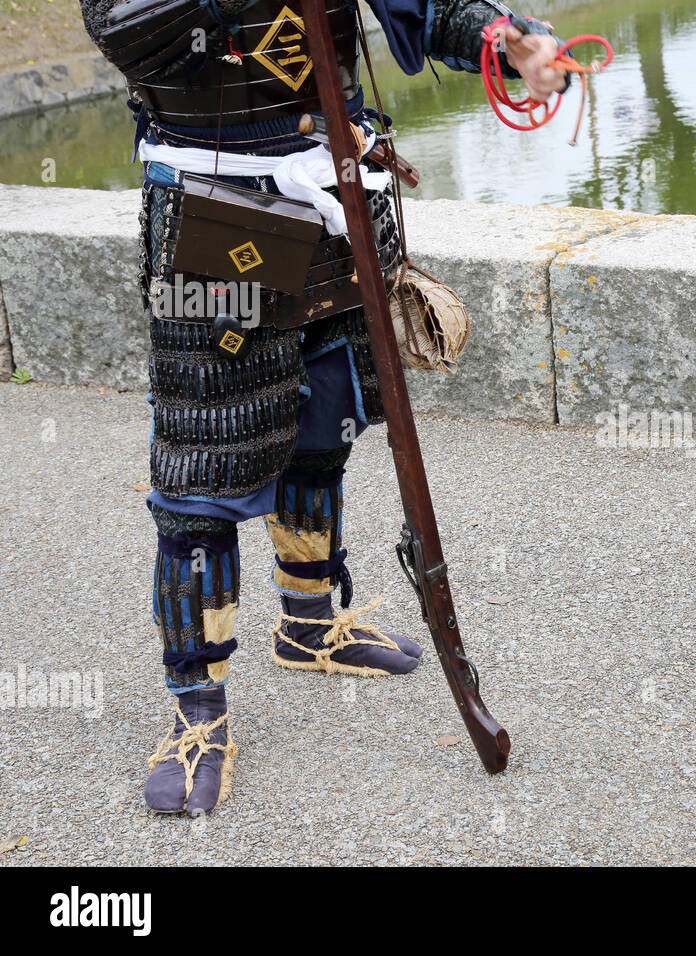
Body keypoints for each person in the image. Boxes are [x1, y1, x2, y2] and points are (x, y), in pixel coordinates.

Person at [80, 0, 568, 814]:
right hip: (217, 207)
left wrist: (502, 37)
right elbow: (128, 26)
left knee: (325, 423)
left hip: (339, 189)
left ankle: (309, 622)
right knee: (203, 476)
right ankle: (196, 713)